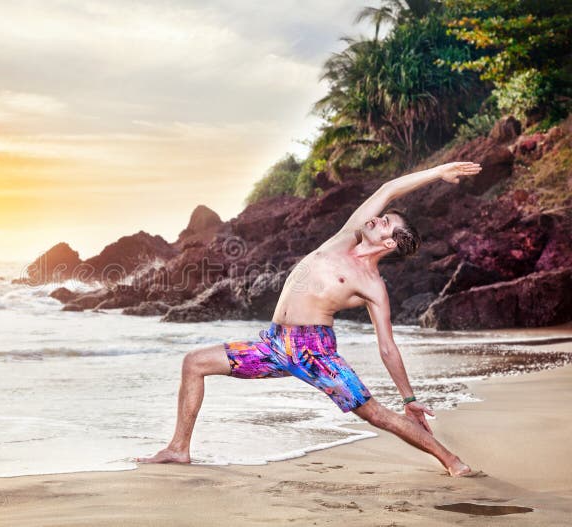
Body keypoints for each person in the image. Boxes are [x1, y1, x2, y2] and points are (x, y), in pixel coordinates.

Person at [137, 161, 483, 477]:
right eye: (381, 217)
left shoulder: (372, 285)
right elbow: (388, 189)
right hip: (272, 344)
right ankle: (178, 448)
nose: (376, 219)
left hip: (314, 352)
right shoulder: (344, 238)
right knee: (194, 362)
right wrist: (439, 172)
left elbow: (387, 347)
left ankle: (452, 462)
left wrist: (409, 399)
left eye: (385, 223)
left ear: (391, 243)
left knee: (376, 414)